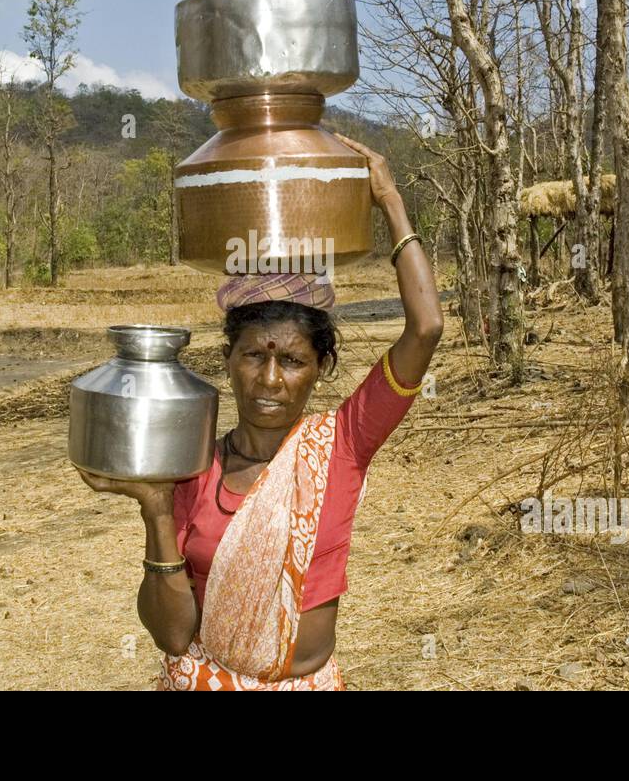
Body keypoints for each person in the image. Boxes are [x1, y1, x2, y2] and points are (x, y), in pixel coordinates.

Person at [75, 135, 444, 689]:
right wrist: (154, 508)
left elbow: (426, 328)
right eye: (253, 355)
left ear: (321, 365)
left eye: (292, 360)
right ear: (228, 360)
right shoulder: (192, 467)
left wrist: (389, 199)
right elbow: (174, 637)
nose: (270, 380)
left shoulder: (343, 444)